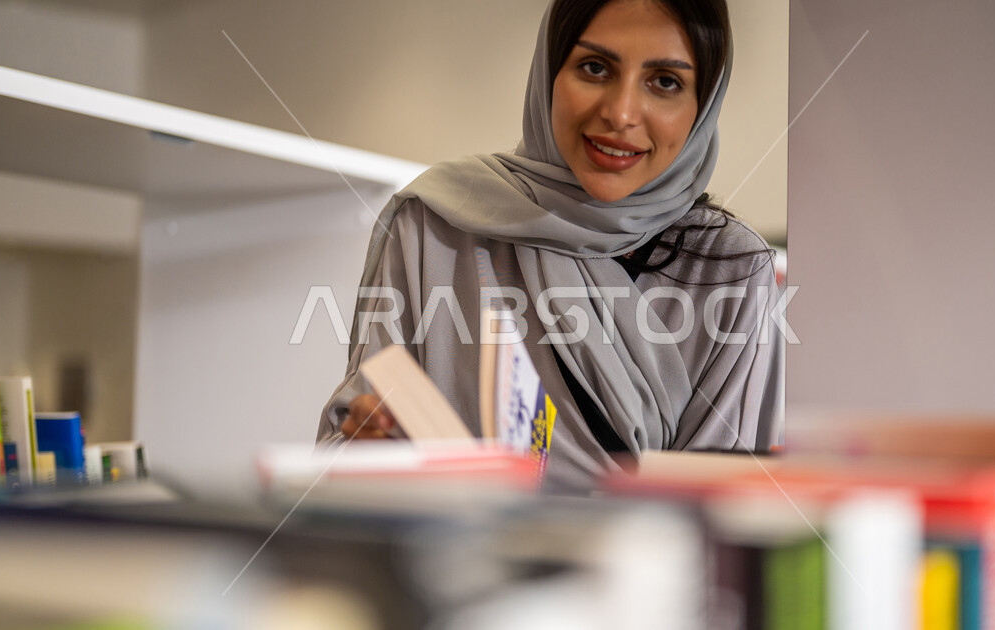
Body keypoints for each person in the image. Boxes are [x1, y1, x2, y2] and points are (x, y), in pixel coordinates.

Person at [318, 0, 782, 492]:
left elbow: (723, 508)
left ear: (703, 104)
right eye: (595, 68)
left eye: (665, 81)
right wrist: (369, 453)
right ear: (549, 70)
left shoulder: (731, 270)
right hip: (444, 542)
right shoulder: (434, 226)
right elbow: (338, 457)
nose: (621, 113)